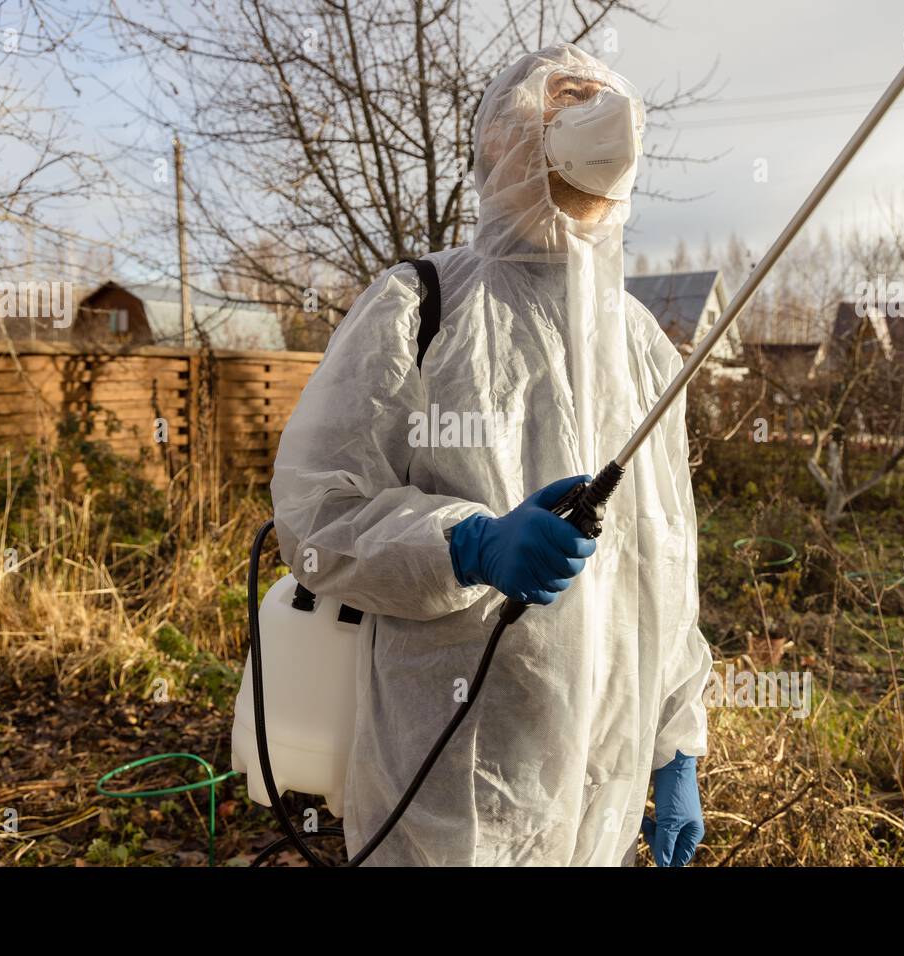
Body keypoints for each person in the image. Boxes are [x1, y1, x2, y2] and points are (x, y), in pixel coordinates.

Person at [270, 41, 711, 866]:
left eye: (597, 98)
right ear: (498, 143)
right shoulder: (419, 306)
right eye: (562, 99)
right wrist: (468, 544)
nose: (589, 115)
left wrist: (677, 743)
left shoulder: (644, 345)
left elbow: (669, 557)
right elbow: (317, 519)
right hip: (447, 782)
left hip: (600, 785)